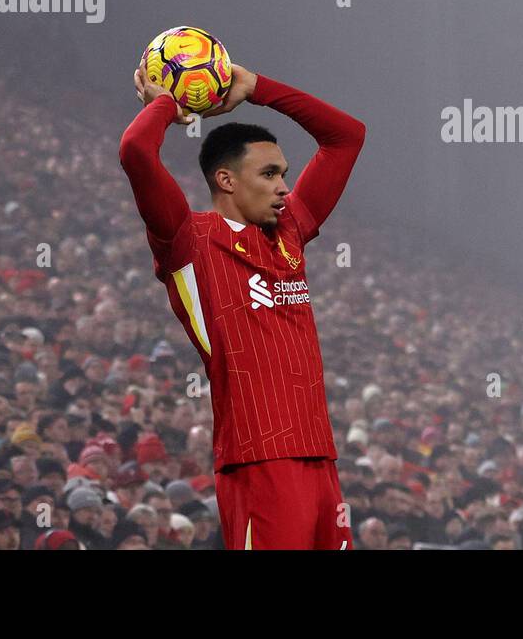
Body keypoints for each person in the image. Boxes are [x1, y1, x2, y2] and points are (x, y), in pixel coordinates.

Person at [119, 62, 365, 550]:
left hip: (320, 456)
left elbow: (347, 137)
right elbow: (135, 151)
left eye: (285, 175)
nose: (283, 187)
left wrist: (258, 89)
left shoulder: (289, 230)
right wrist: (168, 103)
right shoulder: (187, 239)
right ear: (226, 180)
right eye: (270, 174)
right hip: (259, 458)